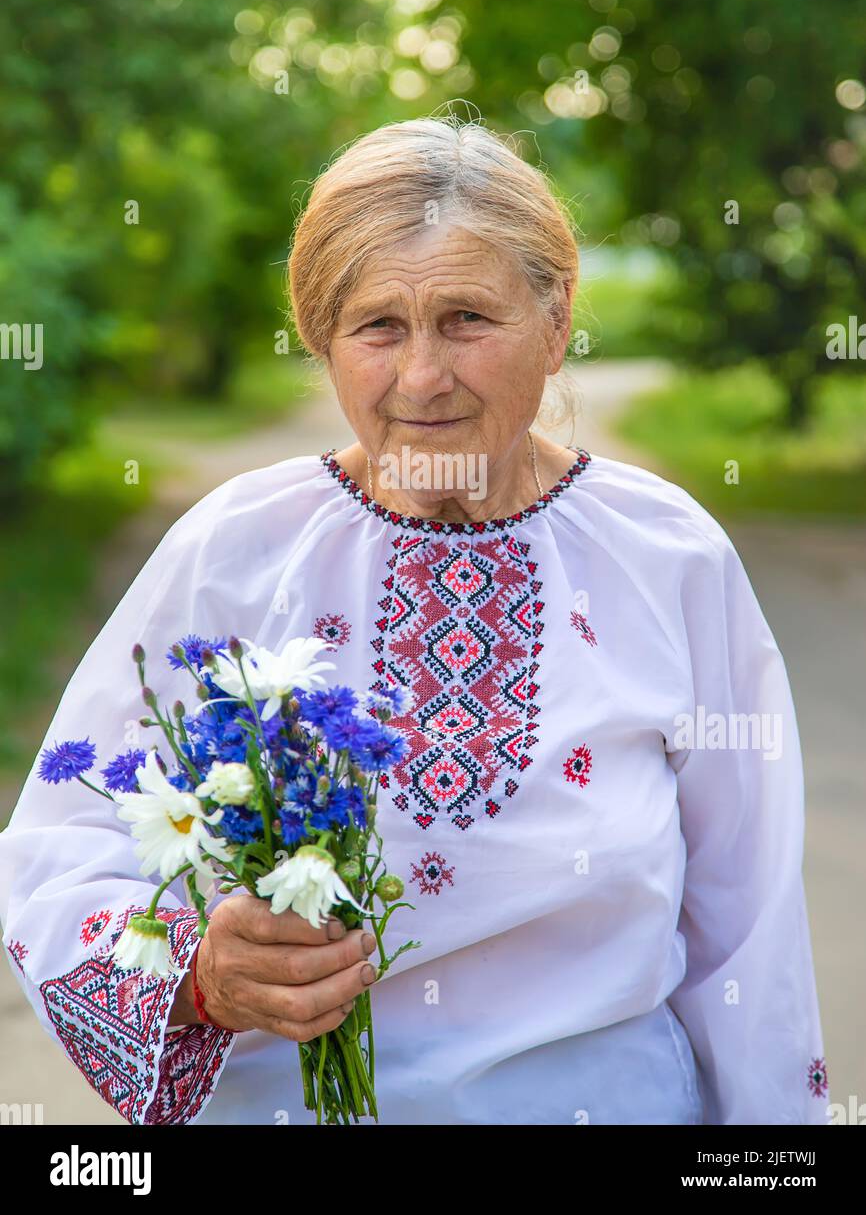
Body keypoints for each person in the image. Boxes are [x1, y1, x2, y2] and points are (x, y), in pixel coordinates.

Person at [0, 115, 829, 1125]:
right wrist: (199, 975)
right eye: (378, 327)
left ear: (556, 319)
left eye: (468, 319)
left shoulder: (666, 558)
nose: (422, 376)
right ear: (322, 342)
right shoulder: (234, 550)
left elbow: (750, 936)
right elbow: (57, 846)